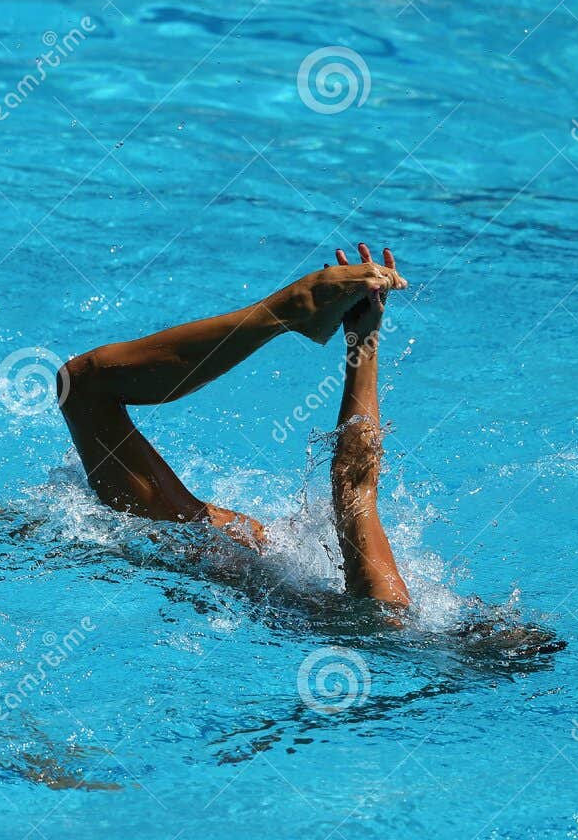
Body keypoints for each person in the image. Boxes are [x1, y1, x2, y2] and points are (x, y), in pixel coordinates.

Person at [57, 243, 410, 607]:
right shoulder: (389, 614)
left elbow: (355, 486)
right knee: (83, 385)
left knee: (84, 383)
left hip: (239, 563)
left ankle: (284, 312)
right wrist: (362, 342)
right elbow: (354, 487)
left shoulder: (387, 612)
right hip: (258, 559)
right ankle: (285, 313)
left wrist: (363, 344)